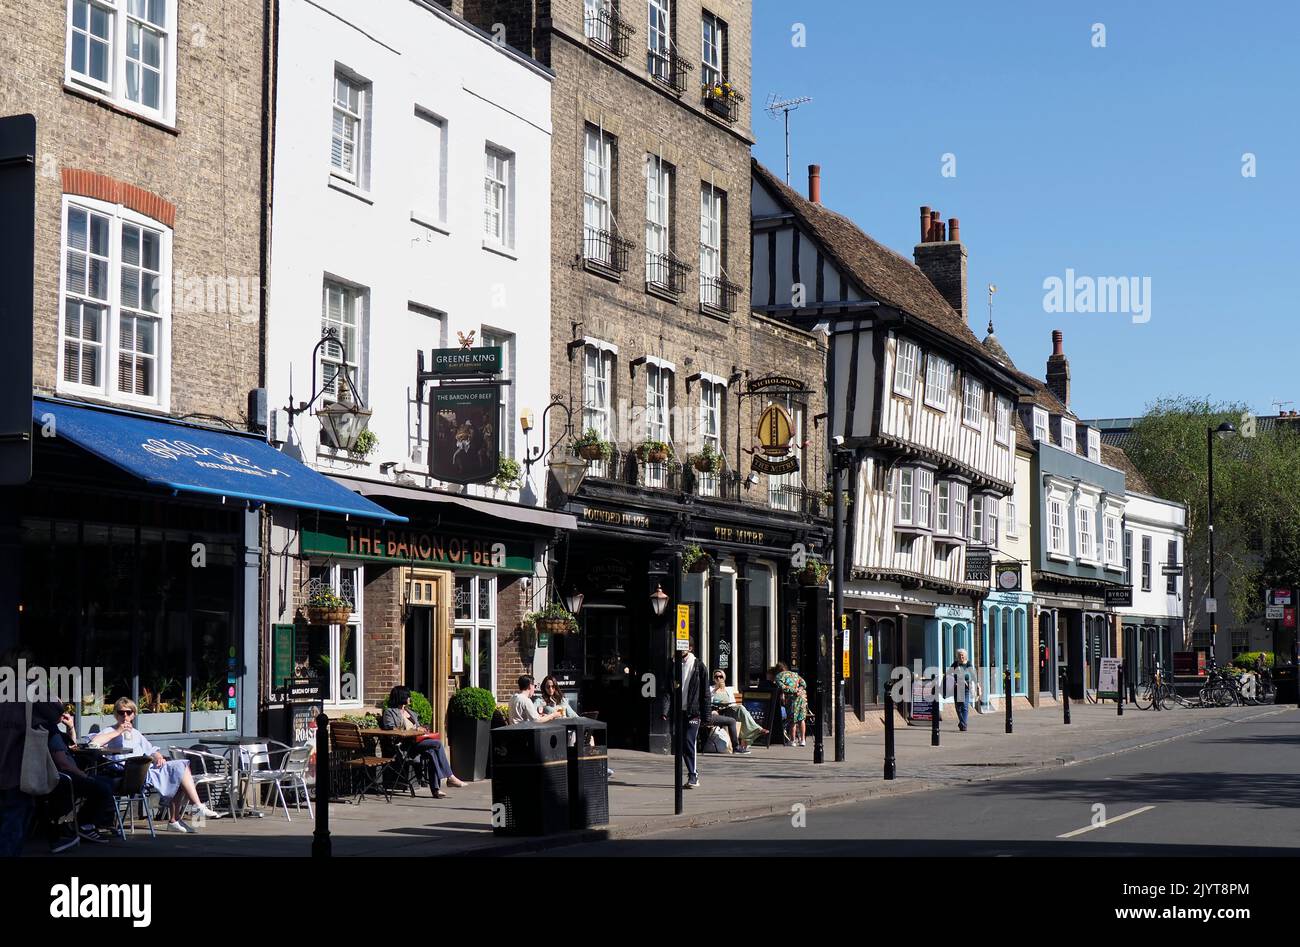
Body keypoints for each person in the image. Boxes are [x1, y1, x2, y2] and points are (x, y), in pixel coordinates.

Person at [88, 698, 221, 833]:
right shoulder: (110, 731)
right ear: (116, 714)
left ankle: (191, 810)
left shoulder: (136, 733)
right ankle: (182, 816)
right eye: (121, 713)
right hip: (128, 774)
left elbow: (151, 750)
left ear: (133, 714)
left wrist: (158, 757)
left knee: (181, 768)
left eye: (128, 712)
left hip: (147, 770)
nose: (125, 716)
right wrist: (118, 732)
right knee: (177, 774)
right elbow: (93, 743)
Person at [381, 686, 464, 798]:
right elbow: (390, 728)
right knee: (437, 745)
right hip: (404, 746)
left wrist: (422, 729)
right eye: (407, 695)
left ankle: (438, 788)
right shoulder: (390, 712)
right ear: (401, 697)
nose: (410, 698)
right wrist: (414, 730)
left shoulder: (410, 712)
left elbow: (417, 727)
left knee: (432, 751)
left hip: (416, 743)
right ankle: (448, 778)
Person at [677, 644, 711, 787]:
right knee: (682, 745)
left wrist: (707, 716)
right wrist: (665, 711)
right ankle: (690, 774)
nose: (680, 648)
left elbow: (705, 693)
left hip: (694, 711)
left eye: (683, 645)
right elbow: (667, 689)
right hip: (679, 711)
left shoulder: (699, 666)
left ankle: (693, 775)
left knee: (688, 741)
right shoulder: (674, 665)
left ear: (690, 647)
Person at [710, 671, 767, 752]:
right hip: (717, 712)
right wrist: (716, 689)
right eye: (716, 677)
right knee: (736, 719)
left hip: (728, 710)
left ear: (724, 678)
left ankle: (757, 729)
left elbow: (733, 703)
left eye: (721, 677)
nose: (718, 678)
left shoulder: (728, 689)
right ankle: (751, 734)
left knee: (741, 708)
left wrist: (723, 690)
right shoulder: (711, 689)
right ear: (714, 678)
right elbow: (708, 701)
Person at [771, 663, 809, 746]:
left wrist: (794, 691)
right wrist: (799, 689)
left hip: (792, 699)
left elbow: (782, 687)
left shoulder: (778, 676)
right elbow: (804, 684)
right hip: (802, 698)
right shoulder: (794, 674)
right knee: (801, 719)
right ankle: (802, 740)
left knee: (792, 719)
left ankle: (792, 741)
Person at [948, 648, 975, 732]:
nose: (961, 657)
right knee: (958, 707)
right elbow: (948, 674)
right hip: (957, 688)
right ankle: (962, 723)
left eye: (962, 655)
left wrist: (977, 685)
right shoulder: (955, 664)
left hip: (966, 687)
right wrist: (954, 681)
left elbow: (973, 675)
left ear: (965, 656)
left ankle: (963, 724)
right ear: (957, 656)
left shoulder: (968, 664)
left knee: (965, 706)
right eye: (959, 655)